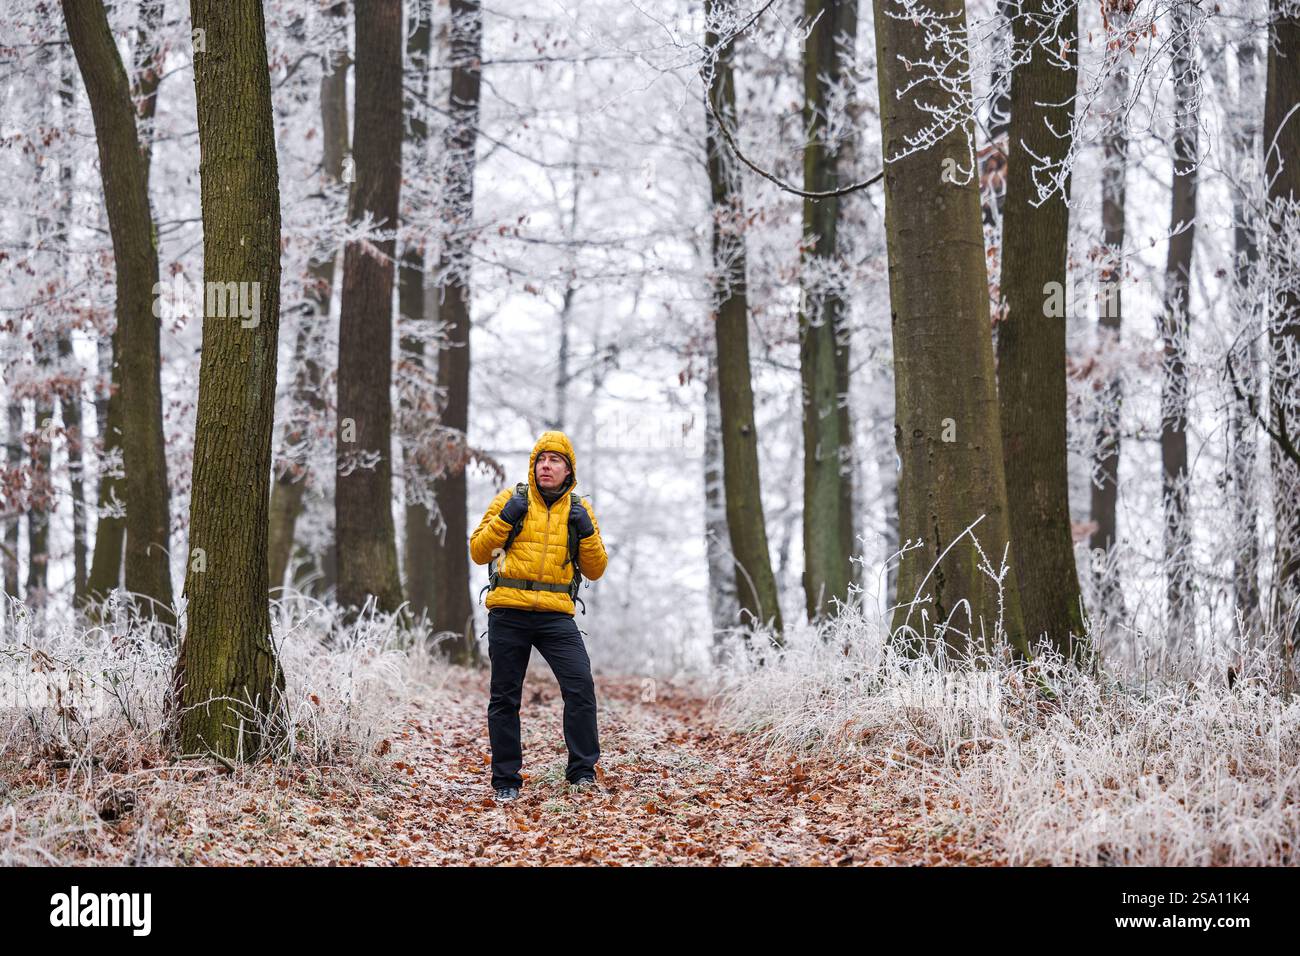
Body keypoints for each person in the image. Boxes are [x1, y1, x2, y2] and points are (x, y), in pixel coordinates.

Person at [469, 430, 608, 801]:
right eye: (541, 460)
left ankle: (582, 772)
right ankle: (506, 782)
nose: (547, 466)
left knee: (580, 687)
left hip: (556, 616)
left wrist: (588, 531)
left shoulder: (579, 510)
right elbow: (479, 552)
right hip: (508, 611)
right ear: (534, 466)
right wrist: (505, 520)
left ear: (568, 471)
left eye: (555, 461)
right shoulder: (510, 499)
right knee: (505, 697)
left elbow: (595, 570)